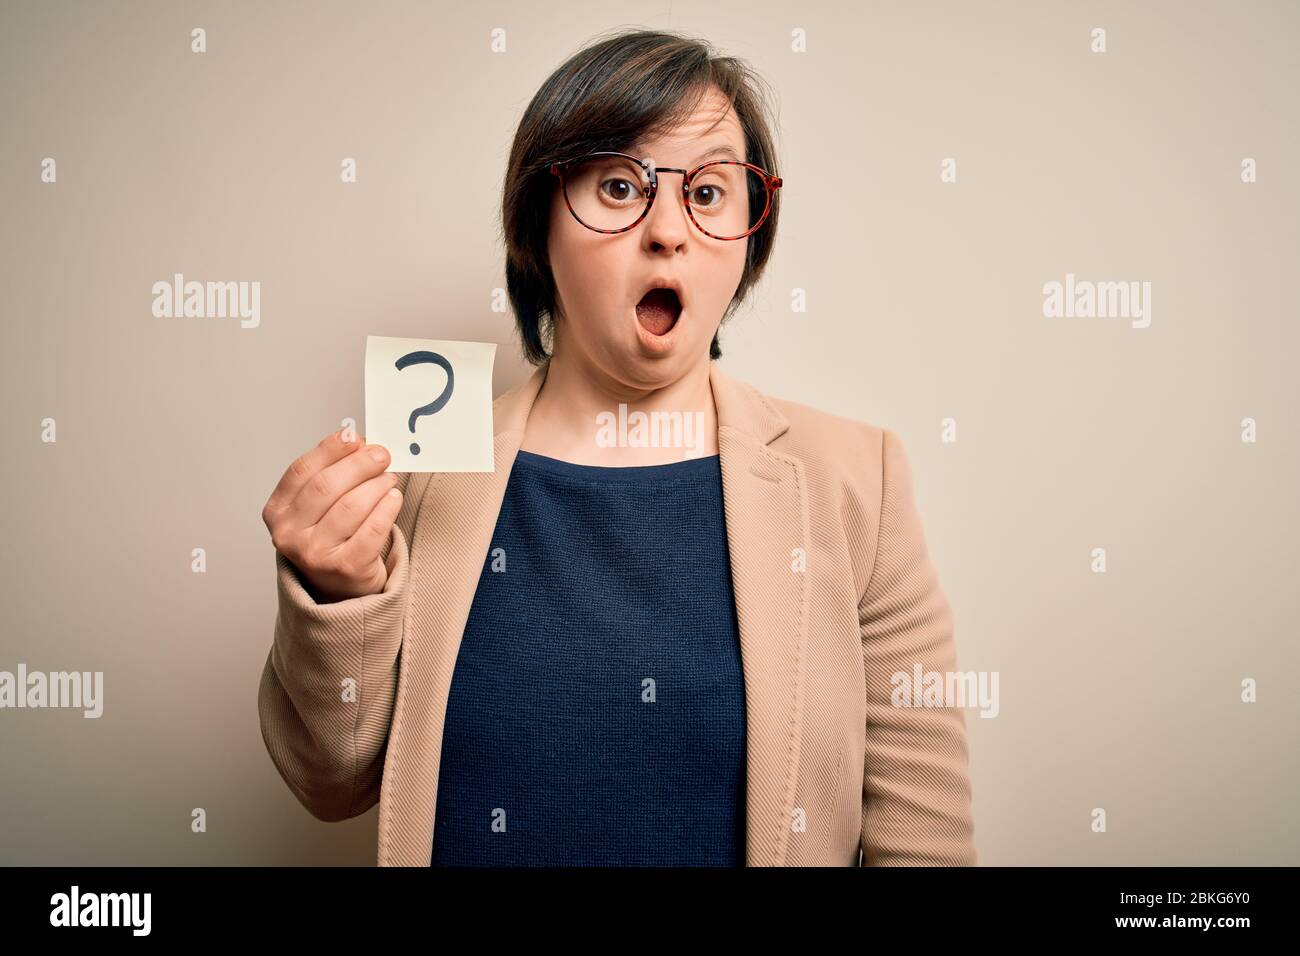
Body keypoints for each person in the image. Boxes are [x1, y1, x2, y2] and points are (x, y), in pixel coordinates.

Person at [258, 28, 975, 866]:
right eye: (619, 185)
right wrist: (337, 595)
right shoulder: (420, 478)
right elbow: (330, 782)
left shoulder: (859, 482)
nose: (669, 230)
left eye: (709, 192)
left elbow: (925, 837)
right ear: (538, 227)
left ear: (749, 237)